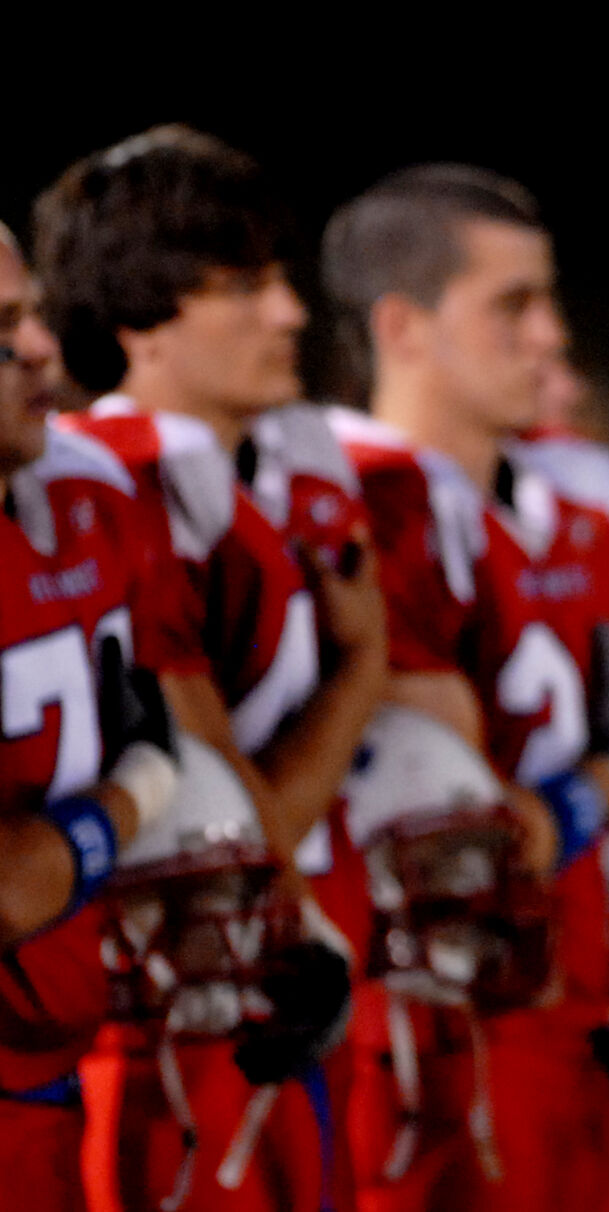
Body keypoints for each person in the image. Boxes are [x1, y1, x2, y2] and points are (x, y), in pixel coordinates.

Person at [321, 162, 609, 1212]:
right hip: (424, 1036)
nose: (550, 335)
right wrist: (601, 781)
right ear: (402, 327)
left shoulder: (571, 516)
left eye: (547, 301)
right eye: (512, 306)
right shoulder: (359, 503)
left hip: (576, 1013)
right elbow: (469, 815)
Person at [34, 125, 388, 1212]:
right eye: (242, 286)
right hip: (177, 1029)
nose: (288, 314)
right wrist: (362, 666)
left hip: (291, 990)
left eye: (281, 279)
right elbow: (231, 825)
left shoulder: (284, 469)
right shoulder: (124, 484)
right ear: (141, 316)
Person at [0, 221, 188, 1212]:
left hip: (46, 1095)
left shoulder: (77, 495)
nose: (41, 349)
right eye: (1, 330)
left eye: (30, 314)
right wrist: (133, 793)